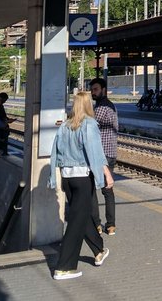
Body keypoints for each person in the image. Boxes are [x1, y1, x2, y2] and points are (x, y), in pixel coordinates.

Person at [49, 91, 113, 281]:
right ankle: (64, 267)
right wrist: (105, 176)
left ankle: (99, 250)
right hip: (83, 178)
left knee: (80, 215)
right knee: (76, 222)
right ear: (88, 105)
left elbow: (55, 153)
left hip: (67, 179)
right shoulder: (90, 125)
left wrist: (54, 177)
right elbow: (96, 153)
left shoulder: (64, 126)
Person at [89, 77, 118, 235]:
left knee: (92, 188)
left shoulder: (101, 107)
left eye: (96, 89)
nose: (93, 92)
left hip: (100, 154)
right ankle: (111, 225)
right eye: (92, 90)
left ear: (103, 90)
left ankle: (96, 224)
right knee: (108, 190)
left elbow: (90, 125)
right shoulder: (110, 105)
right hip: (110, 153)